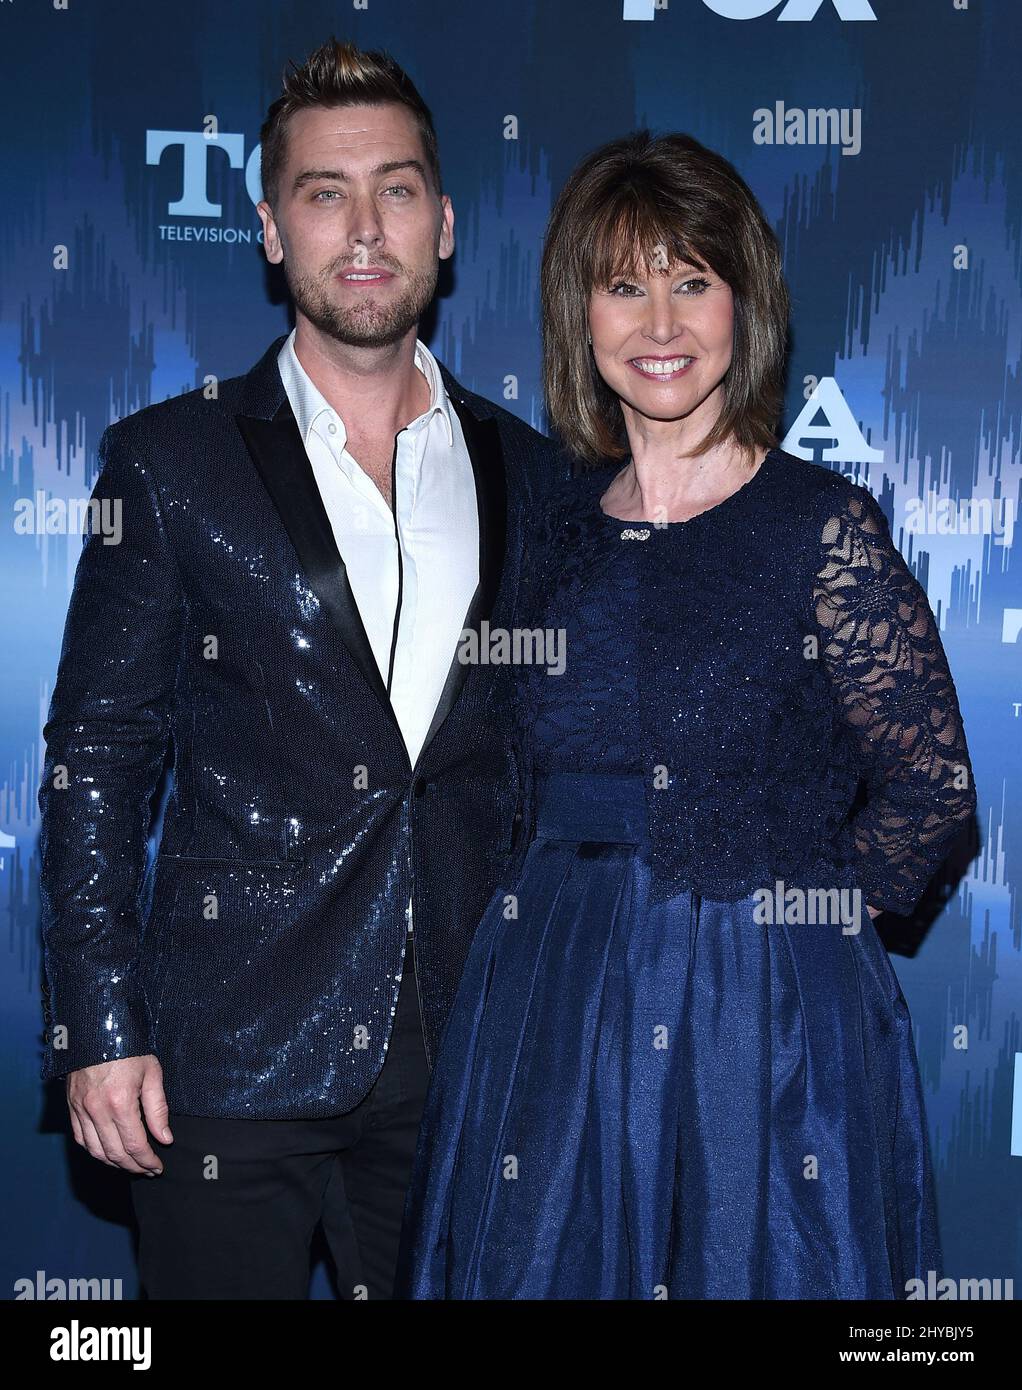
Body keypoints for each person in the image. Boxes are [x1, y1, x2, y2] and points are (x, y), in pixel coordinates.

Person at [394, 130, 977, 1300]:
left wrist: (797, 921)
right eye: (624, 284)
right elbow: (496, 771)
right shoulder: (546, 529)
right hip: (553, 1013)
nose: (659, 321)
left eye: (691, 279)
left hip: (760, 1035)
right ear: (582, 315)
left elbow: (932, 794)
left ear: (741, 302)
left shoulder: (822, 526)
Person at [37, 37, 568, 1300]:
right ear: (273, 229)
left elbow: (535, 765)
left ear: (442, 223)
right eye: (326, 195)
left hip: (457, 1052)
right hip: (229, 1055)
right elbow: (97, 759)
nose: (365, 228)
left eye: (395, 190)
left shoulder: (535, 473)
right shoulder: (170, 461)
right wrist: (99, 1028)